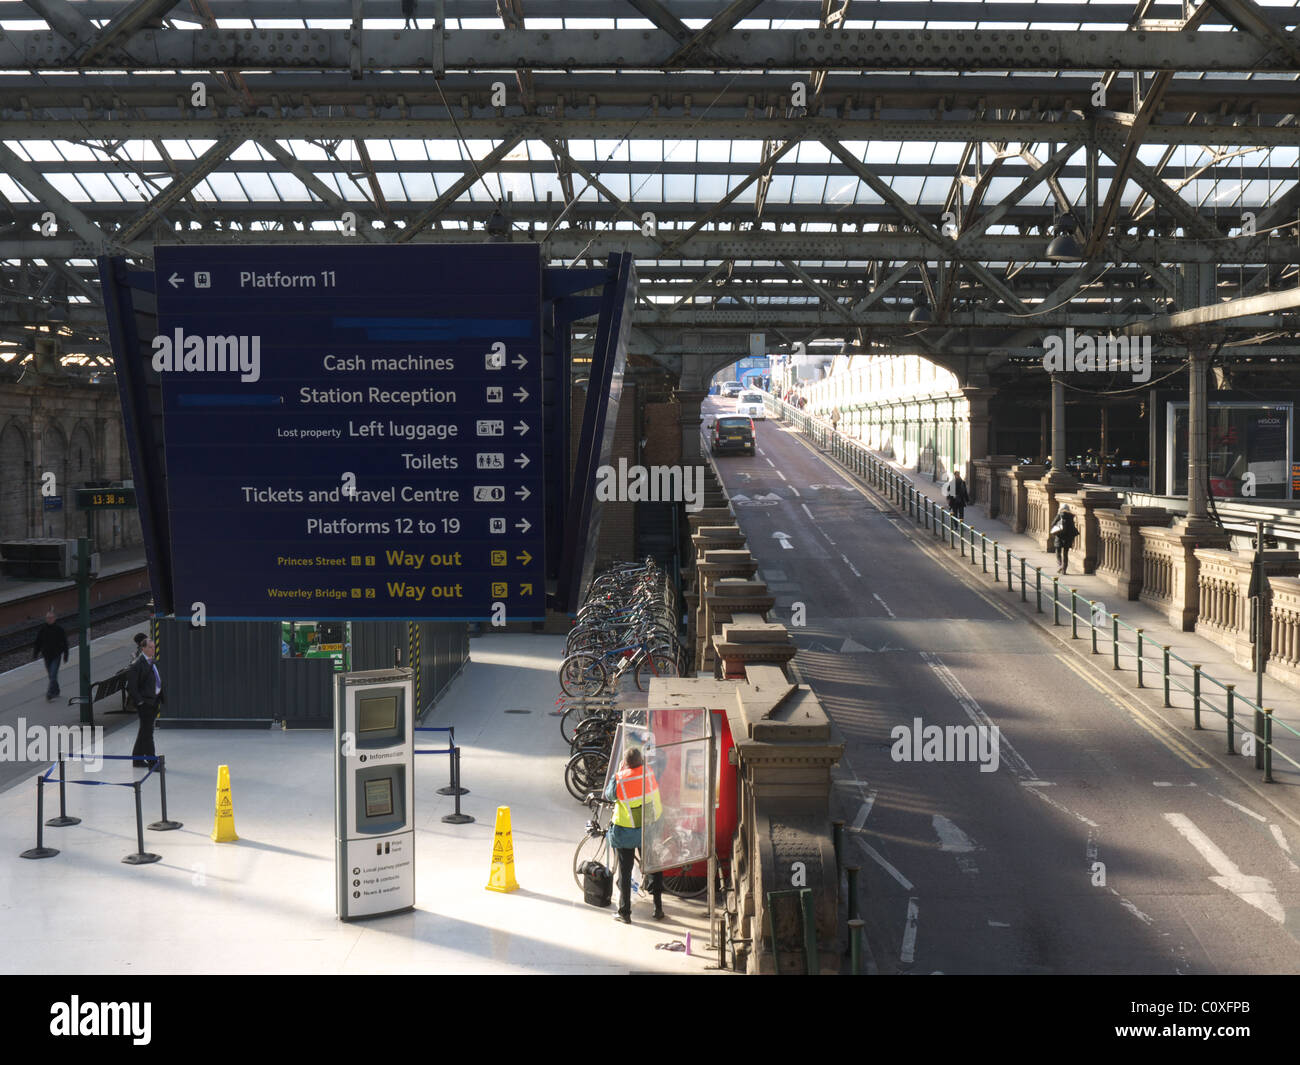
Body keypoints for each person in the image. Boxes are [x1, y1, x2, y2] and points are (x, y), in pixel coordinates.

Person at [604, 746, 665, 924]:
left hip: (626, 832)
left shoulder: (621, 779)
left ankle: (625, 912)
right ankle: (658, 907)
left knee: (625, 870)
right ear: (641, 761)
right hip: (649, 828)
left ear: (626, 763)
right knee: (653, 865)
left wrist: (620, 771)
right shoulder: (649, 772)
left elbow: (609, 794)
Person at [126, 633, 162, 768]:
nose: (153, 649)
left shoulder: (152, 661)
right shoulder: (137, 664)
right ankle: (152, 762)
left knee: (144, 732)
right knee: (148, 734)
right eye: (151, 647)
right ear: (144, 649)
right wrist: (140, 702)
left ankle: (137, 759)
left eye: (154, 647)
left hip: (153, 701)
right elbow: (132, 687)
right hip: (146, 704)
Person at [32, 607, 69, 702]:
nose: (49, 619)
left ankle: (50, 693)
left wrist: (65, 655)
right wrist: (35, 654)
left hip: (56, 655)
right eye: (47, 618)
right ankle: (56, 690)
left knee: (53, 675)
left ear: (55, 618)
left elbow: (65, 642)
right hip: (46, 656)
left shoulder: (59, 629)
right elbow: (38, 642)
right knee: (51, 675)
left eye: (51, 618)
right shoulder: (43, 630)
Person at [1051, 504, 1079, 575]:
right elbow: (1072, 529)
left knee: (1058, 552)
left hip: (1059, 537)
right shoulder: (1071, 517)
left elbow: (1052, 524)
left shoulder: (1059, 515)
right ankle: (1064, 570)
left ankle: (1060, 565)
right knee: (1065, 554)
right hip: (1067, 539)